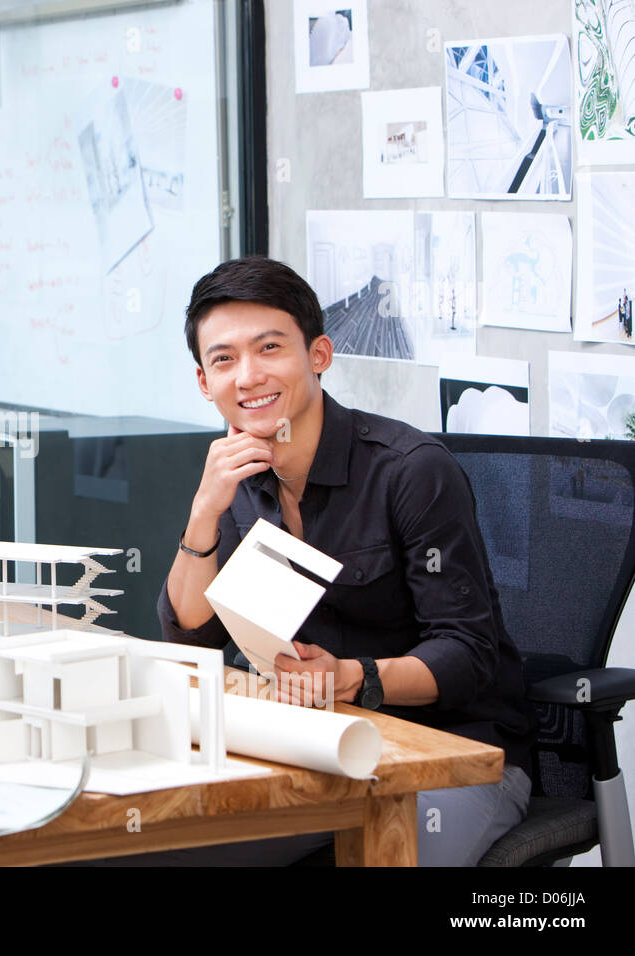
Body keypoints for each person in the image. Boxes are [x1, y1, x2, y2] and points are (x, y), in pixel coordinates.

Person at [154, 256, 535, 866]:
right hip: (309, 745)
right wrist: (204, 514)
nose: (247, 376)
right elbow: (192, 636)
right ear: (205, 382)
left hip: (450, 752)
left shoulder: (411, 471)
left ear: (319, 355)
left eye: (269, 347)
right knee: (158, 845)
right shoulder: (236, 478)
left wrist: (353, 676)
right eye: (224, 359)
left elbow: (467, 653)